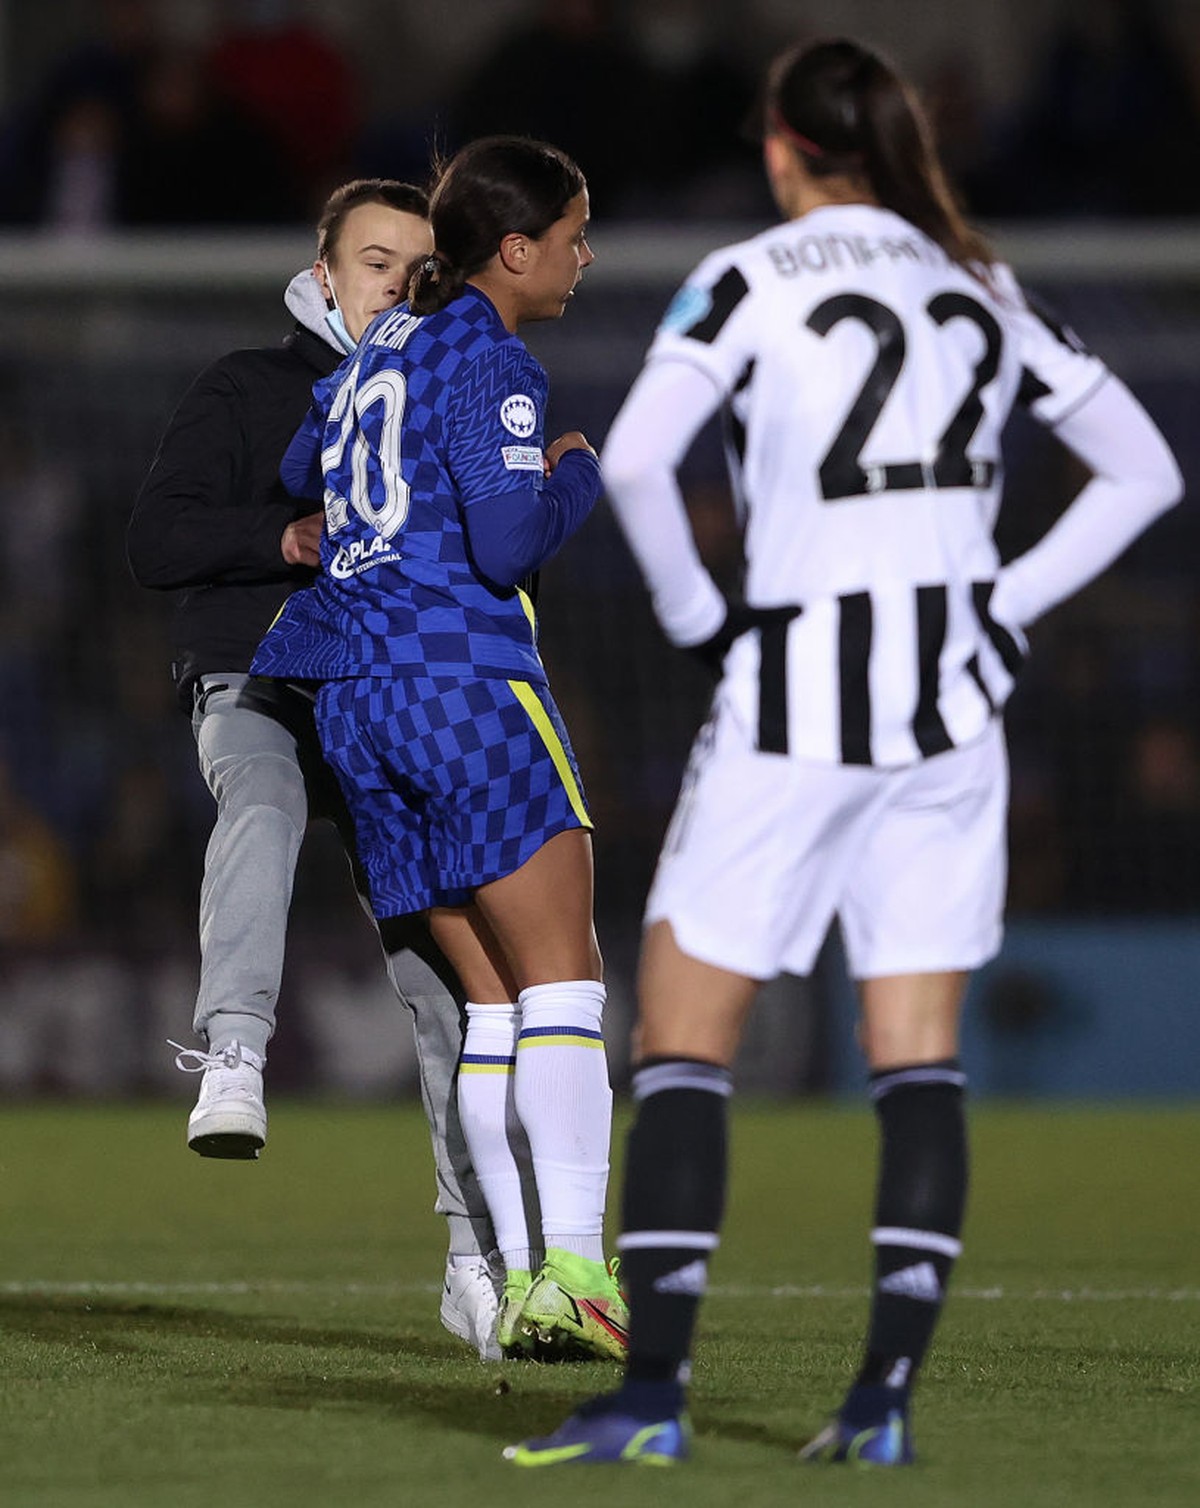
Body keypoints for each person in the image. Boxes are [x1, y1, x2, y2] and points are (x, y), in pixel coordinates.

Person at [507, 37, 1183, 1465]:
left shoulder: (749, 279)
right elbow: (1148, 470)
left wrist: (706, 625)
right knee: (917, 1059)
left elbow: (633, 459)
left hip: (797, 698)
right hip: (953, 711)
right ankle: (878, 1410)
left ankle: (653, 1401)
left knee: (685, 1041)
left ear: (778, 150)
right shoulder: (980, 281)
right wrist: (1008, 602)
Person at [251, 136, 628, 1363]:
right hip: (463, 688)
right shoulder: (492, 359)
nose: (582, 255)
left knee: (492, 1004)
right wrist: (577, 475)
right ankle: (577, 1272)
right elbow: (511, 542)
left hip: (355, 702)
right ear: (514, 250)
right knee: (565, 983)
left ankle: (520, 1284)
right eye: (573, 234)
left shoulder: (377, 355)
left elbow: (303, 467)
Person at [127, 178, 506, 1361]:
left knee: (441, 975)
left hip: (387, 696)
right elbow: (156, 539)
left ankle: (474, 1258)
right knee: (266, 795)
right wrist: (280, 535)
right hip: (257, 675)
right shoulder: (247, 386)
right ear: (325, 271)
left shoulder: (448, 395)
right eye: (375, 258)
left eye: (416, 262)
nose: (397, 279)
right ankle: (233, 1052)